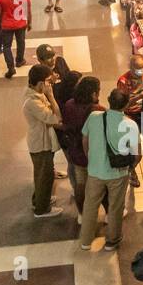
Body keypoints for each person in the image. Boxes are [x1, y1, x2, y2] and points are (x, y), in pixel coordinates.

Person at [79, 89, 137, 251]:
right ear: (126, 104)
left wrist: (91, 159)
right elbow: (136, 153)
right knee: (115, 207)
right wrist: (131, 168)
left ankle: (85, 241)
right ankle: (112, 240)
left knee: (90, 205)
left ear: (108, 100)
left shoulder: (94, 117)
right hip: (118, 173)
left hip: (95, 171)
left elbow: (85, 140)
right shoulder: (130, 125)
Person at [23, 64, 63, 218]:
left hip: (41, 140)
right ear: (40, 84)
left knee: (42, 173)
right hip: (40, 143)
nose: (49, 85)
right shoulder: (33, 102)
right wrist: (51, 96)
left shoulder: (34, 95)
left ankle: (40, 199)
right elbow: (56, 118)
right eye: (47, 81)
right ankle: (42, 208)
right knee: (44, 175)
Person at [59, 75, 100, 214]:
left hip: (75, 151)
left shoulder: (69, 104)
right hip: (94, 154)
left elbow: (65, 123)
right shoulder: (97, 110)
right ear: (94, 93)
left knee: (80, 184)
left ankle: (82, 213)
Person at [0, 0, 31, 77]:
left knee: (6, 46)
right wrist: (29, 22)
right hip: (21, 24)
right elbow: (28, 12)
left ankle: (10, 67)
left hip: (7, 25)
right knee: (21, 42)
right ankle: (19, 60)